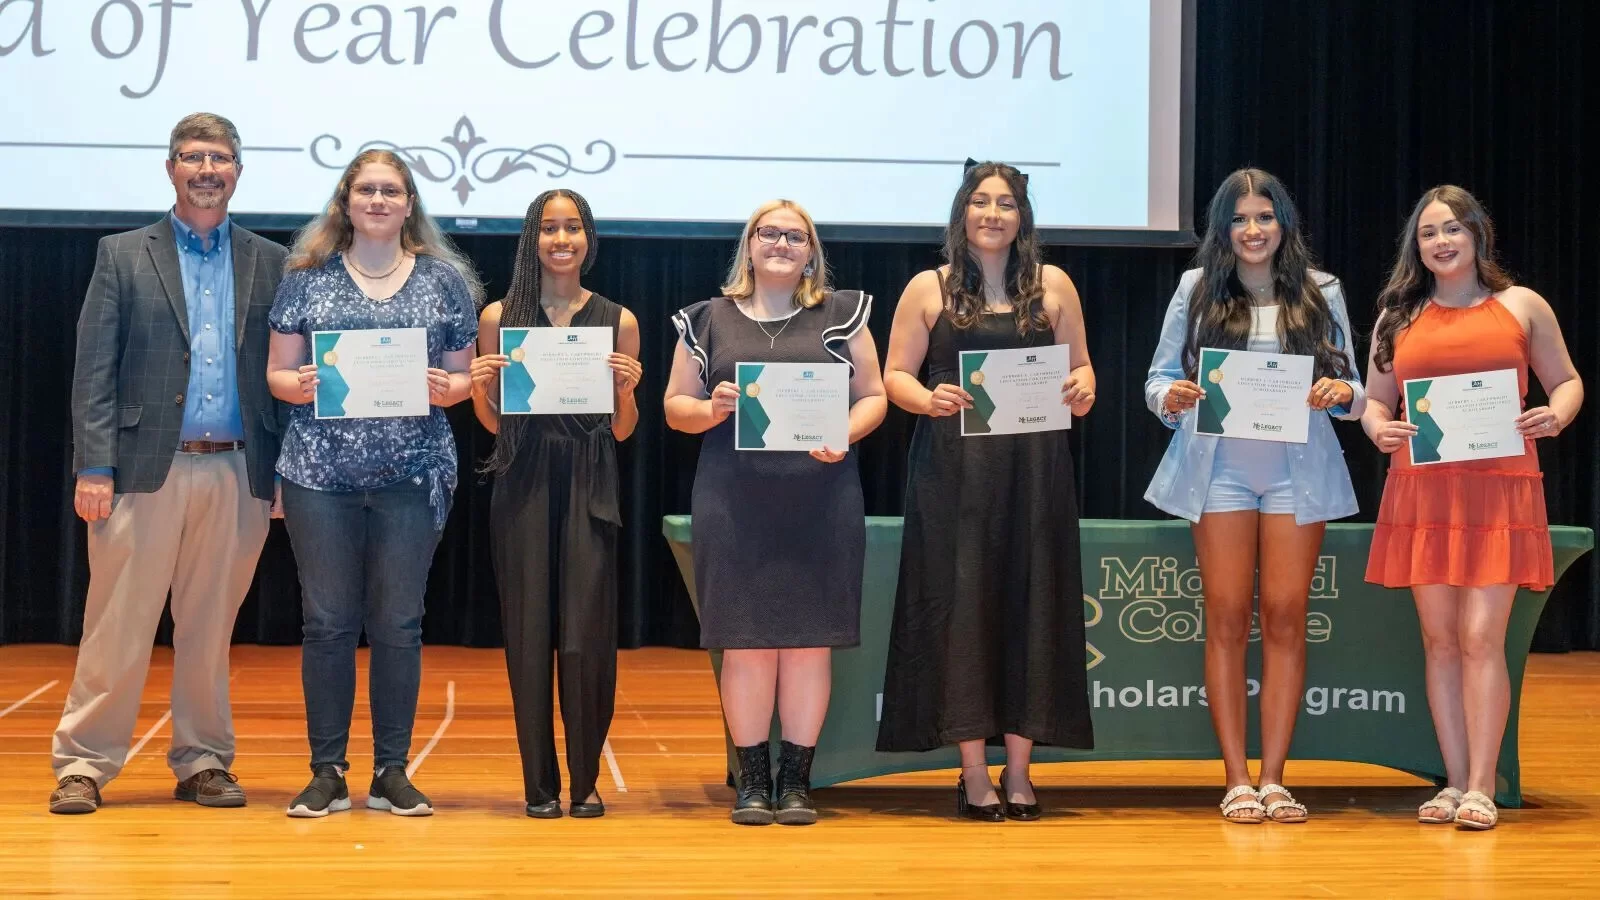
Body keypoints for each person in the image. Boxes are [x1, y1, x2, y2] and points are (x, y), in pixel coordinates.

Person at [51, 113, 286, 815]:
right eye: (192, 156)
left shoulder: (271, 262)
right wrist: (94, 467)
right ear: (171, 167)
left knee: (211, 629)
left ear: (238, 171)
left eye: (219, 157)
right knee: (116, 624)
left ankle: (204, 761)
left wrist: (278, 478)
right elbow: (93, 370)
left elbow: (284, 372)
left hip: (238, 472)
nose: (206, 168)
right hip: (141, 471)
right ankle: (84, 764)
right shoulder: (122, 254)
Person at [1143, 168, 1365, 824]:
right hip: (1220, 475)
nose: (1252, 229)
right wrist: (1171, 398)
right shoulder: (1196, 289)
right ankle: (1236, 778)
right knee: (1228, 616)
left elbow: (1354, 389)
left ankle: (1276, 779)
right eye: (1238, 219)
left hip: (1299, 474)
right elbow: (1158, 379)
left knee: (1288, 615)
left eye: (1264, 217)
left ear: (1284, 224)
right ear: (1222, 229)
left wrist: (1340, 394)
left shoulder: (1324, 290)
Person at [875, 161, 1096, 822]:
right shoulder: (928, 286)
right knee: (962, 612)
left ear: (1022, 215)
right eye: (981, 202)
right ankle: (973, 771)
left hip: (1036, 473)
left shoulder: (1054, 284)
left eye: (1006, 203)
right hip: (955, 475)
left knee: (1037, 604)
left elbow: (1081, 368)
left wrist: (1084, 387)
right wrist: (928, 396)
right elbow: (893, 376)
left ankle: (1022, 769)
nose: (993, 213)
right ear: (962, 213)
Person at [266, 149, 481, 818]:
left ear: (410, 204)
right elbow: (277, 373)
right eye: (367, 189)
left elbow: (464, 377)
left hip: (412, 477)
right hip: (319, 475)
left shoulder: (444, 283)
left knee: (398, 624)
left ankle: (392, 770)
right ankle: (327, 770)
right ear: (346, 202)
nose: (380, 200)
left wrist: (450, 388)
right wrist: (295, 385)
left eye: (392, 190)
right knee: (328, 623)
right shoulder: (305, 279)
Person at [1362, 185, 1582, 830]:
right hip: (1423, 490)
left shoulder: (1522, 305)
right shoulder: (1395, 315)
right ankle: (1453, 784)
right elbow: (1377, 402)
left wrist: (1556, 416)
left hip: (1499, 487)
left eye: (1453, 229)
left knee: (1482, 637)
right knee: (1440, 642)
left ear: (1479, 234)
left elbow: (1566, 381)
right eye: (1429, 232)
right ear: (1416, 245)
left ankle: (1483, 786)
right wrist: (1378, 428)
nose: (1442, 241)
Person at [663, 200, 886, 825]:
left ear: (811, 251)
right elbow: (675, 405)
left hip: (822, 498)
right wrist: (711, 410)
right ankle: (752, 783)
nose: (782, 243)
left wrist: (845, 431)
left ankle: (797, 784)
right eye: (770, 233)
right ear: (749, 246)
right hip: (734, 500)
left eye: (796, 236)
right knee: (746, 645)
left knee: (810, 645)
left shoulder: (844, 315)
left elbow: (873, 396)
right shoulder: (706, 320)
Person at [468, 190, 642, 819]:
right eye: (550, 228)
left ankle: (585, 780)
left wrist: (625, 388)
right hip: (523, 479)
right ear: (532, 239)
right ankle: (538, 785)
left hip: (591, 480)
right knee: (528, 634)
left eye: (573, 227)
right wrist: (482, 390)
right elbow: (492, 423)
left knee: (585, 636)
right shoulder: (499, 316)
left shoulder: (618, 320)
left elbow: (623, 430)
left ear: (589, 238)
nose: (561, 239)